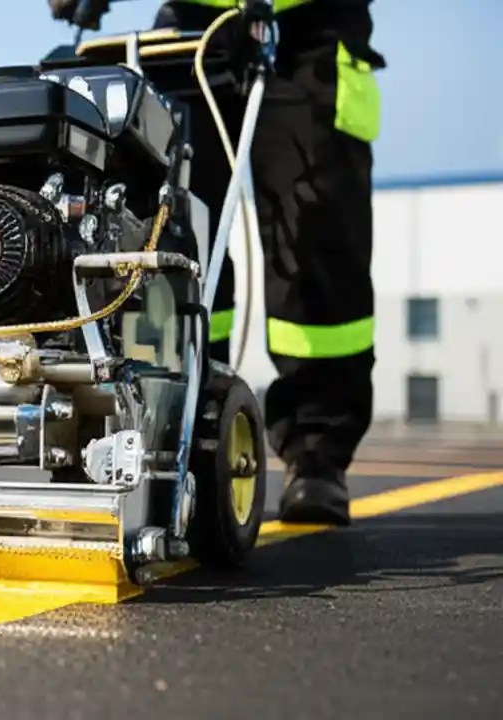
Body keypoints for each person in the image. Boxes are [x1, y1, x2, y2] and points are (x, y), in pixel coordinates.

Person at [47, 0, 384, 525]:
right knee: (166, 235)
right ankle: (171, 426)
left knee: (313, 241)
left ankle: (318, 451)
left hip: (309, 28)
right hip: (190, 25)